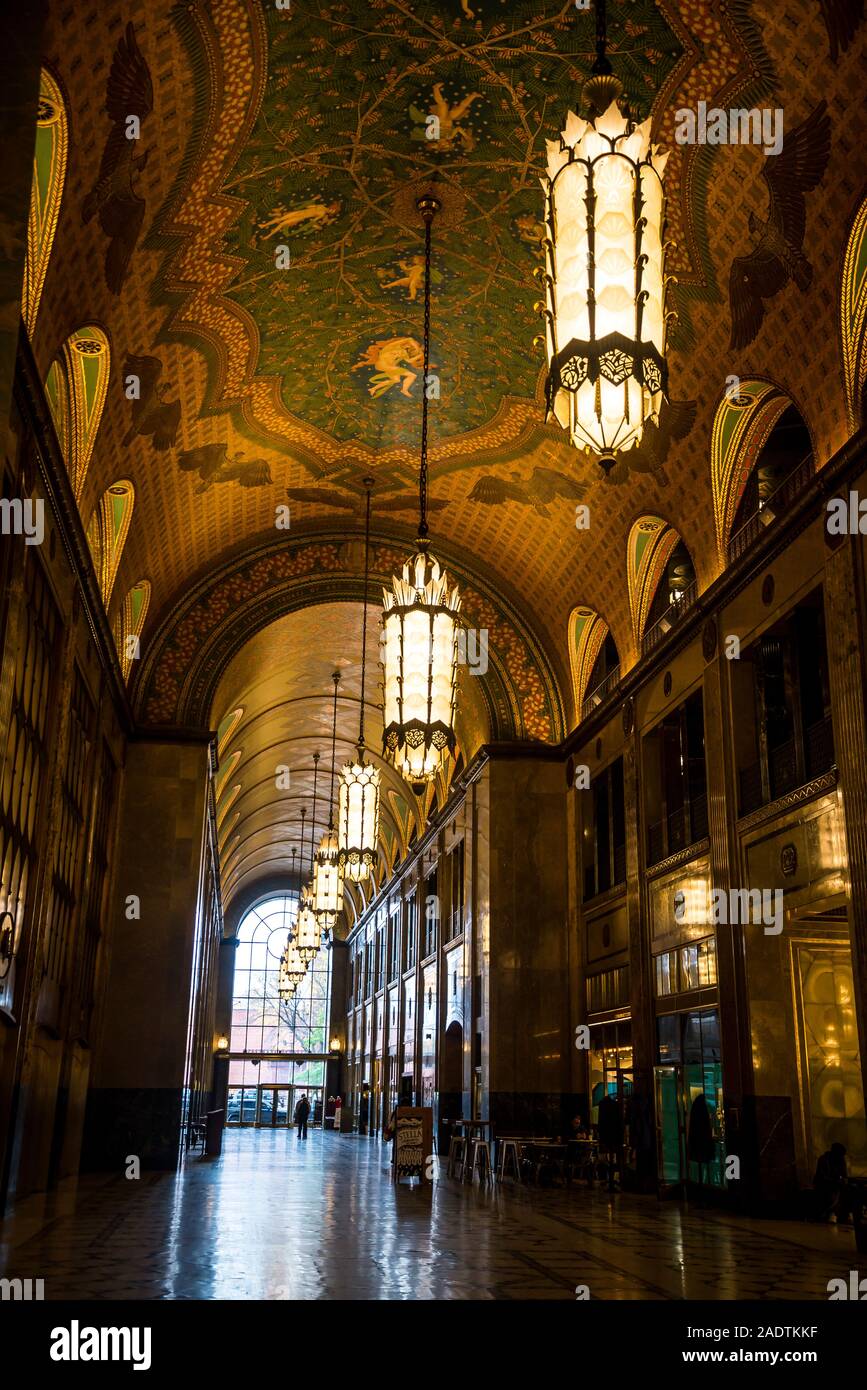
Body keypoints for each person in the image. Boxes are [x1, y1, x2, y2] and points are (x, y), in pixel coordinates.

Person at [814, 1142, 850, 1223]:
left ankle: (842, 1214)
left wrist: (842, 1181)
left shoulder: (841, 1160)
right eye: (839, 1155)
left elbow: (844, 1175)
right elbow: (822, 1177)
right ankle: (828, 1213)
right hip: (823, 1186)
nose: (841, 1157)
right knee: (831, 1195)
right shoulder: (823, 1160)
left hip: (835, 1185)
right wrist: (836, 1181)